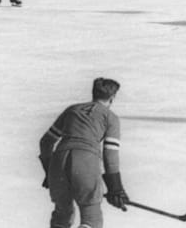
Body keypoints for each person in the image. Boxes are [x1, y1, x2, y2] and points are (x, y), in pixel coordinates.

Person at [38, 78, 128, 228]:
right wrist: (116, 189)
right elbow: (110, 155)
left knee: (62, 215)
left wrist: (49, 173)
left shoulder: (72, 110)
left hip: (58, 162)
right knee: (92, 218)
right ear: (112, 98)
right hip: (86, 162)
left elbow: (45, 142)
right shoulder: (110, 117)